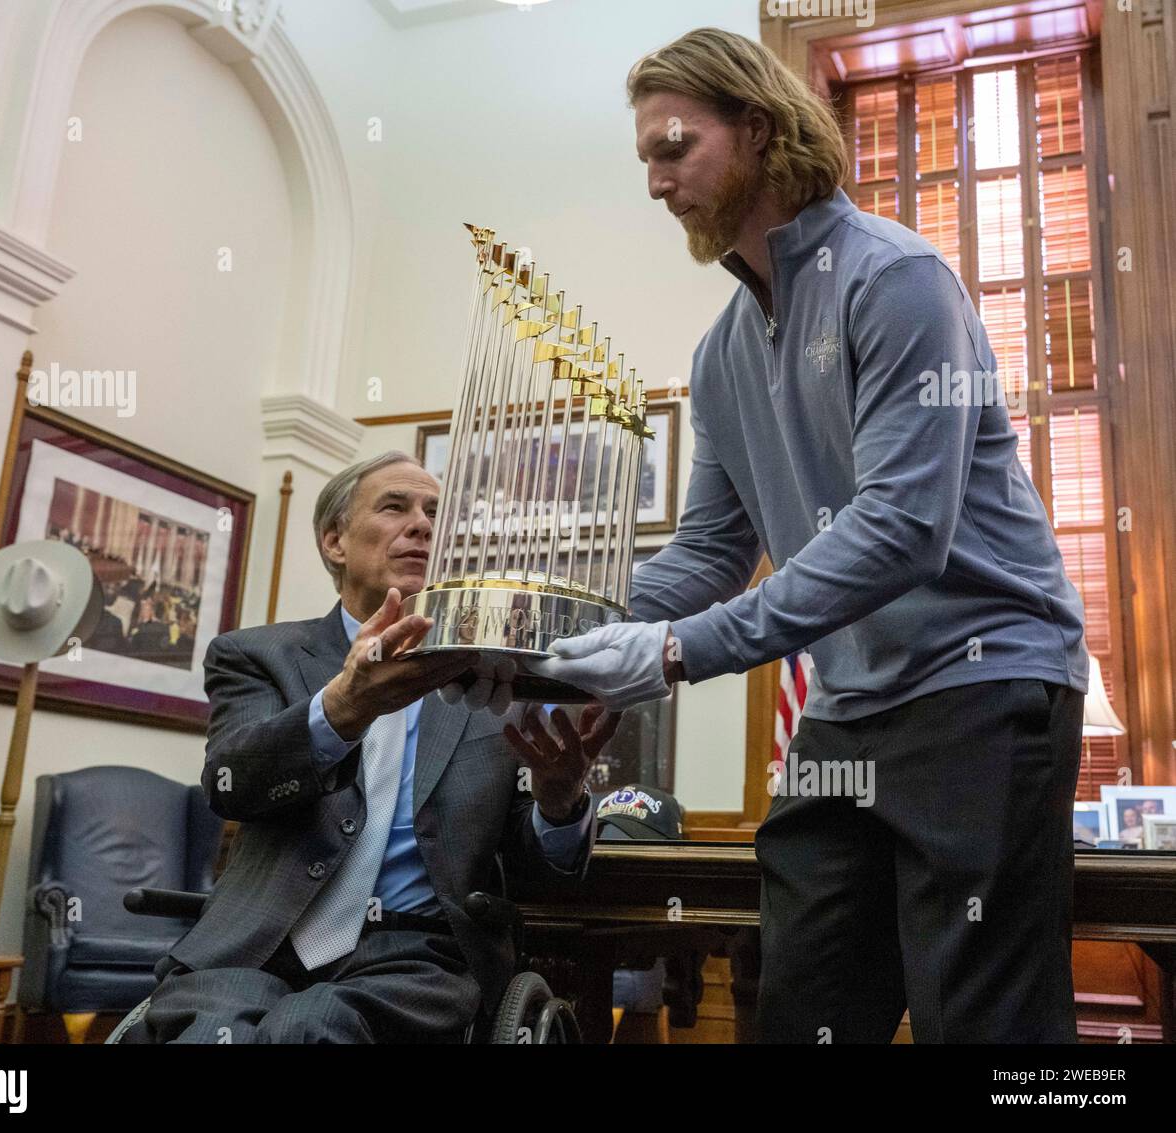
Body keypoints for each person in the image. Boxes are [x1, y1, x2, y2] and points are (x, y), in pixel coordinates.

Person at [529, 27, 1088, 1044]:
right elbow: (705, 553)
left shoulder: (896, 278)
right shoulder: (719, 353)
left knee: (986, 1021)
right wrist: (561, 641)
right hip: (846, 709)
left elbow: (902, 528)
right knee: (802, 1007)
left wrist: (667, 650)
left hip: (982, 691)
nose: (654, 184)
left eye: (672, 149)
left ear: (758, 127)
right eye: (645, 160)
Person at [143, 451, 620, 1043]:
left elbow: (532, 873)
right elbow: (231, 785)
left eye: (435, 515)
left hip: (419, 955)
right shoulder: (256, 655)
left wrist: (560, 804)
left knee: (311, 1030)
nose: (421, 524)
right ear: (334, 541)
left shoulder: (501, 681)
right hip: (258, 945)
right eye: (395, 507)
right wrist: (343, 708)